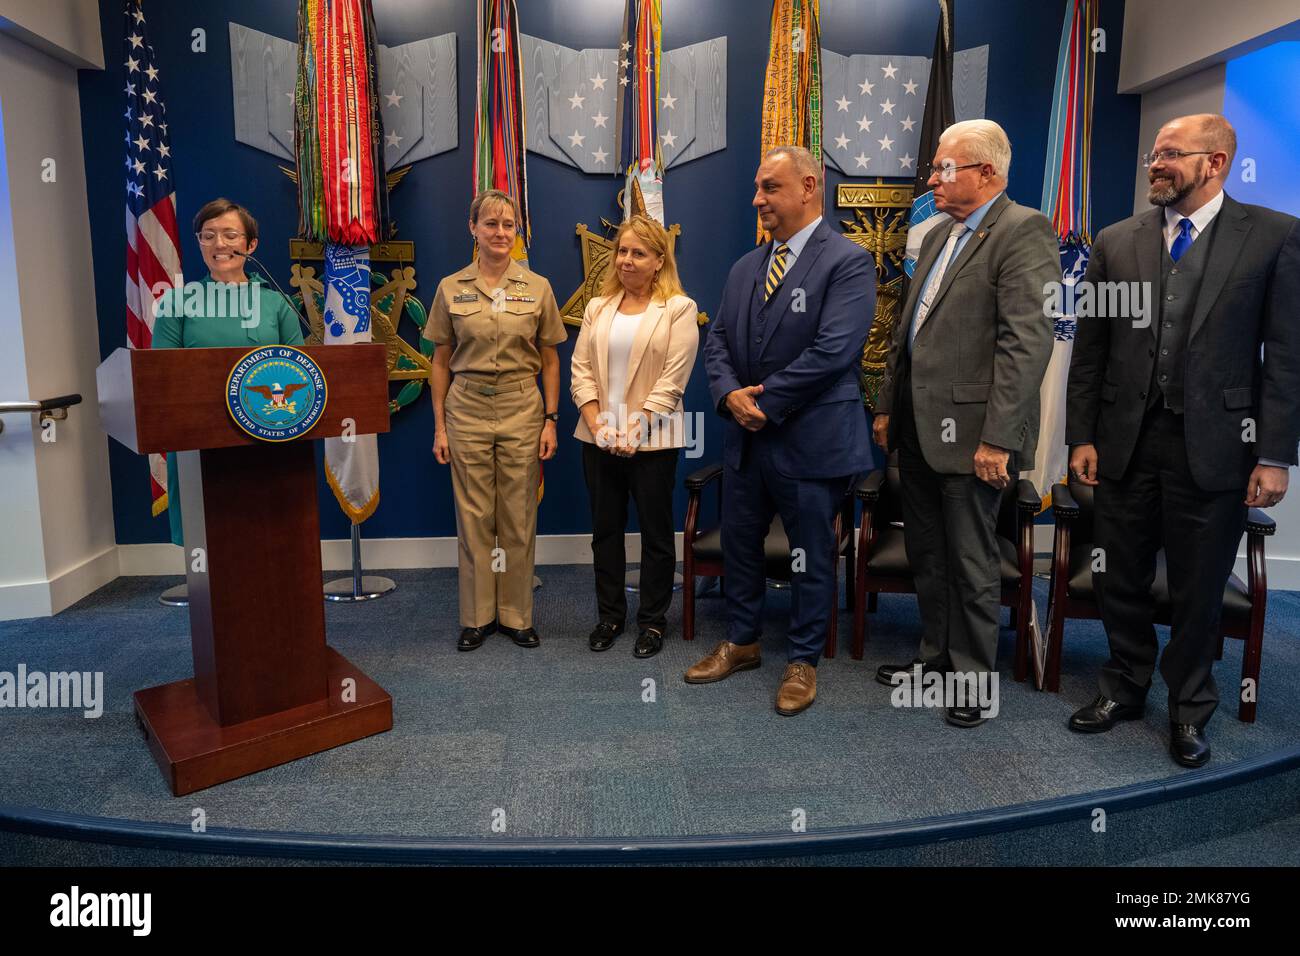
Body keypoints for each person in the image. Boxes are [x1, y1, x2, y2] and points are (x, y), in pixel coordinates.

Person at [1064, 113, 1300, 767]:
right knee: (1121, 576)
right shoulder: (1117, 240)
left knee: (1198, 587)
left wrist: (1275, 454)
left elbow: (1285, 355)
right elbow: (1092, 349)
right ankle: (1124, 687)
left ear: (1215, 162)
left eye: (1171, 154)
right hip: (1124, 441)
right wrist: (1080, 435)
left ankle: (1190, 709)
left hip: (1219, 446)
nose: (1156, 165)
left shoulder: (1274, 238)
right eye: (1154, 154)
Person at [873, 119, 1058, 728]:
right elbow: (910, 336)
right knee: (929, 554)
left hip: (978, 438)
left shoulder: (1023, 230)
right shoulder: (934, 238)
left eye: (943, 168)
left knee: (973, 561)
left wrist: (998, 439)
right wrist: (887, 407)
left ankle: (976, 681)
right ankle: (935, 662)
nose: (932, 179)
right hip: (920, 431)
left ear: (986, 173)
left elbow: (1025, 345)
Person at [690, 145, 875, 715]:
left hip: (811, 442)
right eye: (757, 187)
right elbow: (717, 340)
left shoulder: (847, 261)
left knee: (810, 556)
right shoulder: (747, 266)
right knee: (742, 547)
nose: (758, 199)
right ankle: (743, 641)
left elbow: (834, 351)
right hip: (746, 440)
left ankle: (802, 659)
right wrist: (727, 395)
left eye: (770, 187)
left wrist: (764, 403)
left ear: (808, 186)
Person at [426, 189, 566, 651]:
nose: (500, 232)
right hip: (465, 408)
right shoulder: (451, 287)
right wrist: (441, 427)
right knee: (474, 518)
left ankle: (516, 615)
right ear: (473, 229)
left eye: (508, 224)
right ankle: (477, 616)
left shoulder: (538, 287)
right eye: (491, 224)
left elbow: (549, 358)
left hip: (522, 407)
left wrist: (550, 418)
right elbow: (440, 361)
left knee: (518, 516)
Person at [570, 214, 699, 658]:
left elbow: (673, 379)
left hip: (653, 440)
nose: (626, 260)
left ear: (659, 260)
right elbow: (580, 372)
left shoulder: (679, 309)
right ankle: (609, 616)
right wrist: (598, 423)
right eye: (622, 251)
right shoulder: (596, 308)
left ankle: (652, 622)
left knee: (656, 535)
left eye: (638, 253)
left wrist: (635, 429)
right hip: (598, 437)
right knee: (604, 531)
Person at [151, 198, 305, 547]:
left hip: (269, 440)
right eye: (208, 236)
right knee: (213, 547)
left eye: (230, 235)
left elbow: (300, 372)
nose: (219, 244)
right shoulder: (177, 303)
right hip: (199, 445)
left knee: (271, 542)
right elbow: (159, 377)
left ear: (251, 245)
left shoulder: (276, 303)